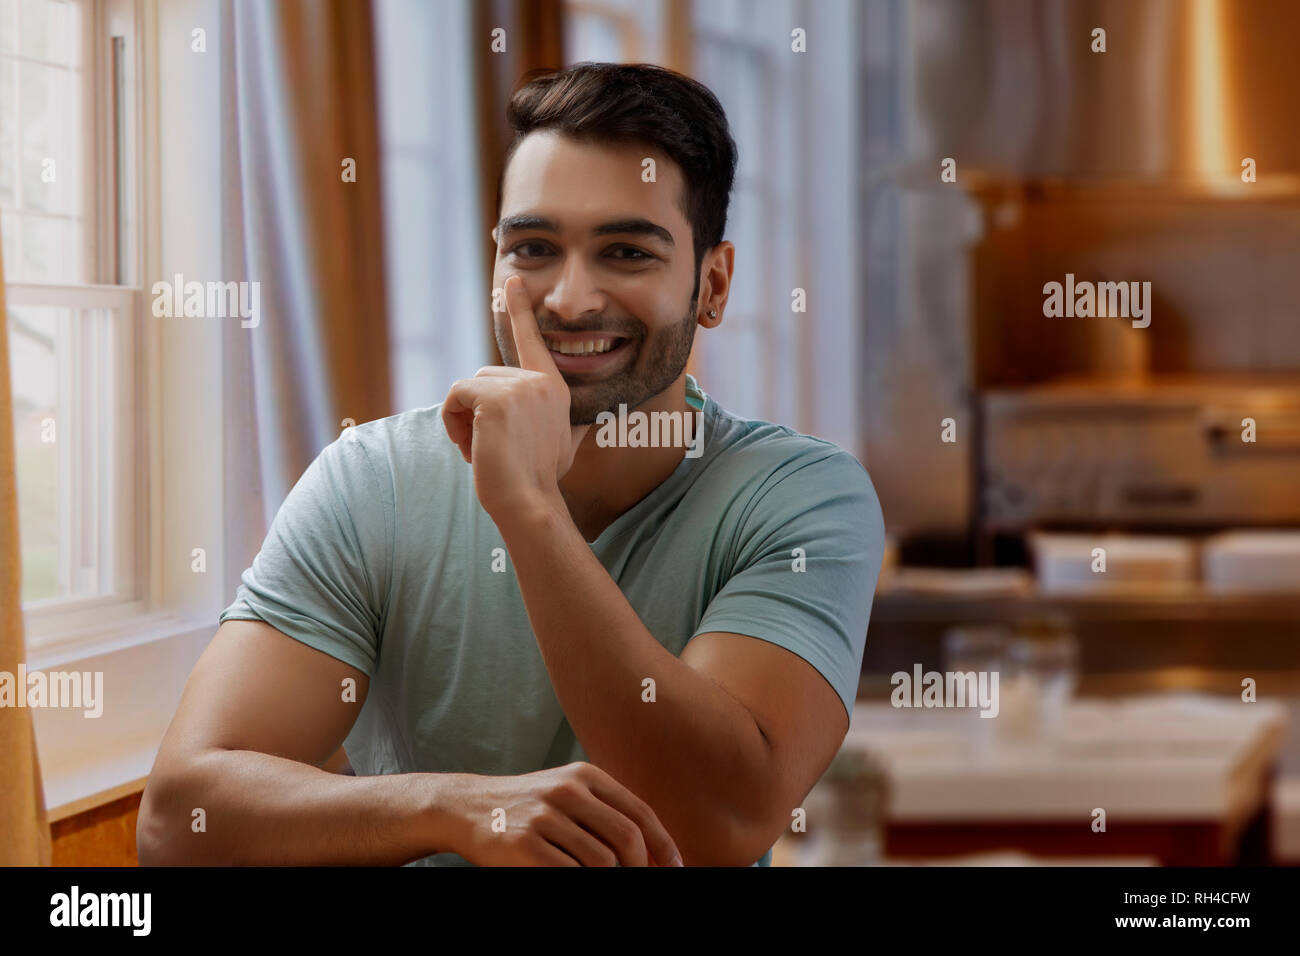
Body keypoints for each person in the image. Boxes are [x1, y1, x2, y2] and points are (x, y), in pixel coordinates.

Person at [137, 62, 885, 867]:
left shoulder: (802, 497)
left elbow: (714, 825)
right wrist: (453, 806)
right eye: (532, 247)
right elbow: (180, 825)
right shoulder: (372, 482)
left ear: (712, 284)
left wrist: (529, 510)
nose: (569, 299)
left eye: (627, 252)